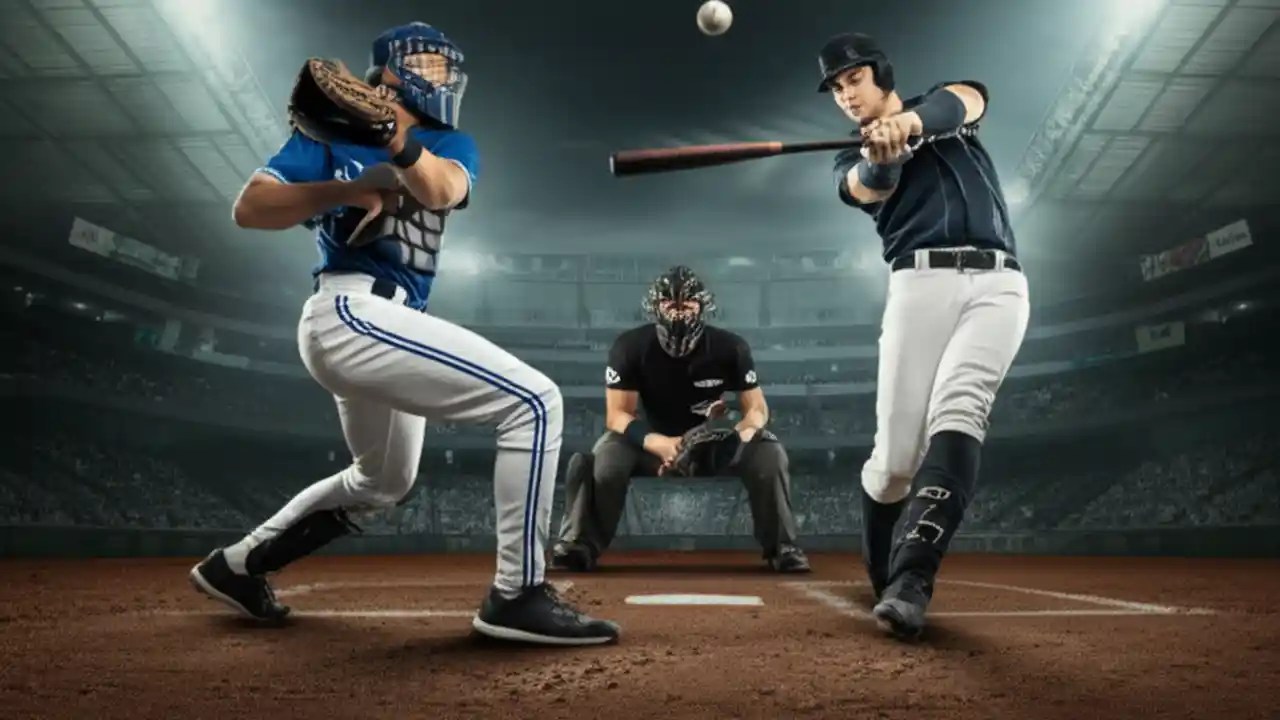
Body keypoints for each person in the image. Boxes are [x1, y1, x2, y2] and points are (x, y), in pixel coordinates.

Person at [187, 21, 618, 646]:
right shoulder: (328, 134)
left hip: (390, 325)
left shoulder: (451, 142)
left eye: (449, 70)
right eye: (431, 64)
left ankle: (236, 566)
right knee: (535, 402)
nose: (444, 78)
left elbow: (441, 189)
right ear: (388, 71)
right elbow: (250, 208)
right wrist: (346, 187)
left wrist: (392, 142)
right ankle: (516, 594)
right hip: (348, 311)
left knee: (383, 480)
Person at [818, 33, 1030, 639]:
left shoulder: (942, 110)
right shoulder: (845, 158)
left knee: (962, 409)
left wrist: (908, 122)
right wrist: (884, 155)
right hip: (920, 284)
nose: (845, 95)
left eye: (853, 80)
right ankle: (884, 571)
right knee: (892, 467)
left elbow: (968, 99)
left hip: (999, 284)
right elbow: (866, 185)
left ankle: (913, 579)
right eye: (836, 89)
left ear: (880, 74)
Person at [550, 265, 810, 573]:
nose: (678, 312)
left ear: (702, 307)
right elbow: (617, 414)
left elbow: (757, 409)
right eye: (670, 304)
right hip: (648, 442)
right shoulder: (630, 346)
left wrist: (735, 435)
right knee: (605, 458)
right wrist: (660, 443)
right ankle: (580, 544)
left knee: (770, 453)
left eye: (686, 304)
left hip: (712, 442)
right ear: (655, 307)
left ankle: (783, 546)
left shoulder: (731, 347)